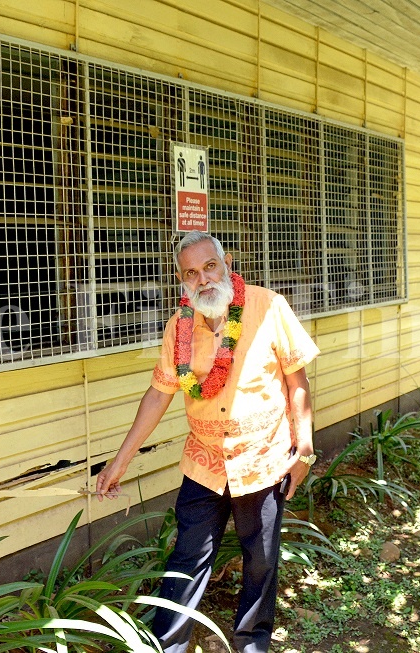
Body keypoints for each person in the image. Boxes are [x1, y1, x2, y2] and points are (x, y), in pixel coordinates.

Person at [95, 231, 319, 653]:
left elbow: (298, 381)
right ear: (182, 280)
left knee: (261, 561)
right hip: (204, 462)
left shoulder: (268, 306)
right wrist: (120, 461)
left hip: (263, 458)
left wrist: (304, 447)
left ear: (227, 263)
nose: (203, 279)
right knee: (186, 561)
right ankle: (167, 646)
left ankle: (252, 646)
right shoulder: (179, 325)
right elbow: (159, 393)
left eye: (209, 266)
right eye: (191, 273)